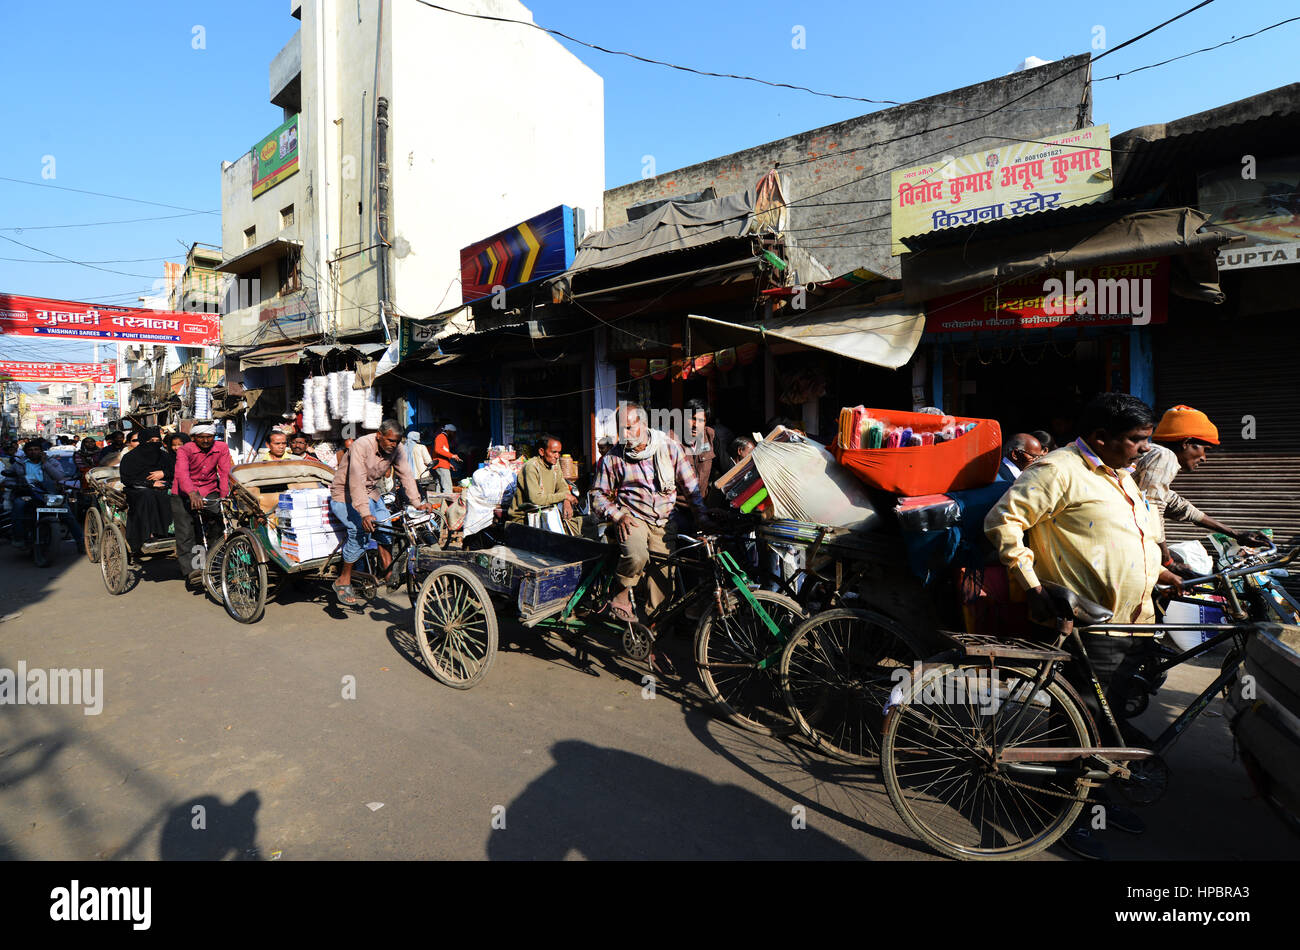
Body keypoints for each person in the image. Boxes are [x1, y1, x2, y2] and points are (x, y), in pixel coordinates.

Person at [984, 392, 1182, 860]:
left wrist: (1160, 571)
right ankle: (1064, 811)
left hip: (1137, 622)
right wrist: (1033, 587)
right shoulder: (1059, 470)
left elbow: (1137, 537)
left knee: (1111, 723)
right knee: (1081, 724)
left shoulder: (1123, 475)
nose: (1144, 449)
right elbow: (1003, 523)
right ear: (1100, 438)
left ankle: (1096, 799)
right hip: (1093, 624)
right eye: (1136, 440)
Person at [590, 402, 709, 622]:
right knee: (637, 555)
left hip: (664, 521)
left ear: (644, 425)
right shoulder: (614, 457)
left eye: (629, 427)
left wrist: (702, 518)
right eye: (621, 429)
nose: (624, 434)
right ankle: (621, 592)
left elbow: (691, 488)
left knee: (663, 583)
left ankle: (652, 630)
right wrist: (618, 515)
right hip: (632, 517)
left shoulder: (670, 447)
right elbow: (597, 495)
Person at [1134, 405, 1269, 572]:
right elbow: (1151, 510)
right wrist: (1167, 561)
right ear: (1186, 443)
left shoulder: (1152, 454)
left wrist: (1236, 534)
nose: (1204, 459)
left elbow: (1180, 507)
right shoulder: (1164, 456)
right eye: (1205, 450)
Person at [329, 419, 432, 607]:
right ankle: (343, 580)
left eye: (397, 441)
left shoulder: (397, 449)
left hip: (371, 493)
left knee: (386, 526)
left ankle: (387, 570)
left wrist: (417, 503)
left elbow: (406, 475)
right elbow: (356, 481)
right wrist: (364, 513)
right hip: (344, 495)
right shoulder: (361, 445)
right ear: (379, 435)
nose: (394, 445)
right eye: (391, 441)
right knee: (359, 530)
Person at [172, 424, 232, 584]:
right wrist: (192, 493)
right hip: (184, 492)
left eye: (209, 437)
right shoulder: (185, 450)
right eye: (201, 437)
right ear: (194, 438)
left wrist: (224, 496)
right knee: (186, 531)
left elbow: (225, 472)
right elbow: (182, 474)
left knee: (219, 525)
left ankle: (217, 562)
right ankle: (192, 570)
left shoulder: (222, 447)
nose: (206, 440)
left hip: (209, 489)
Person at [11, 439, 83, 552]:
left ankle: (80, 542)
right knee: (18, 506)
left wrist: (45, 463)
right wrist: (16, 485)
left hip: (50, 494)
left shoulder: (52, 462)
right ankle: (19, 538)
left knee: (67, 515)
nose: (33, 452)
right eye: (30, 450)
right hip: (27, 495)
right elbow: (9, 479)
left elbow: (59, 477)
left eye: (36, 449)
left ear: (41, 451)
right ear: (25, 452)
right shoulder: (19, 464)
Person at [508, 435, 580, 534]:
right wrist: (565, 496)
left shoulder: (555, 464)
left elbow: (563, 486)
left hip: (546, 514)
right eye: (554, 452)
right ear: (542, 451)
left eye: (559, 452)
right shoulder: (531, 467)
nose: (557, 456)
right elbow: (536, 499)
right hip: (525, 518)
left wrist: (566, 501)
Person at [118, 427, 174, 554]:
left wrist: (163, 473)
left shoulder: (164, 456)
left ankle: (168, 531)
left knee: (173, 495)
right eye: (150, 441)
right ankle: (146, 534)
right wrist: (150, 483)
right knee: (147, 495)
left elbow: (174, 471)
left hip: (164, 486)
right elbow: (127, 479)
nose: (154, 444)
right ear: (143, 441)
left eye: (157, 440)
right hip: (138, 488)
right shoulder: (130, 457)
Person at [432, 423, 461, 493]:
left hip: (441, 464)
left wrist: (449, 464)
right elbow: (438, 449)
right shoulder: (441, 437)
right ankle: (448, 503)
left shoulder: (443, 438)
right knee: (447, 487)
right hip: (441, 465)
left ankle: (438, 503)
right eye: (453, 433)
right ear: (448, 431)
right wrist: (452, 456)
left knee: (439, 487)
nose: (454, 435)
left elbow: (442, 453)